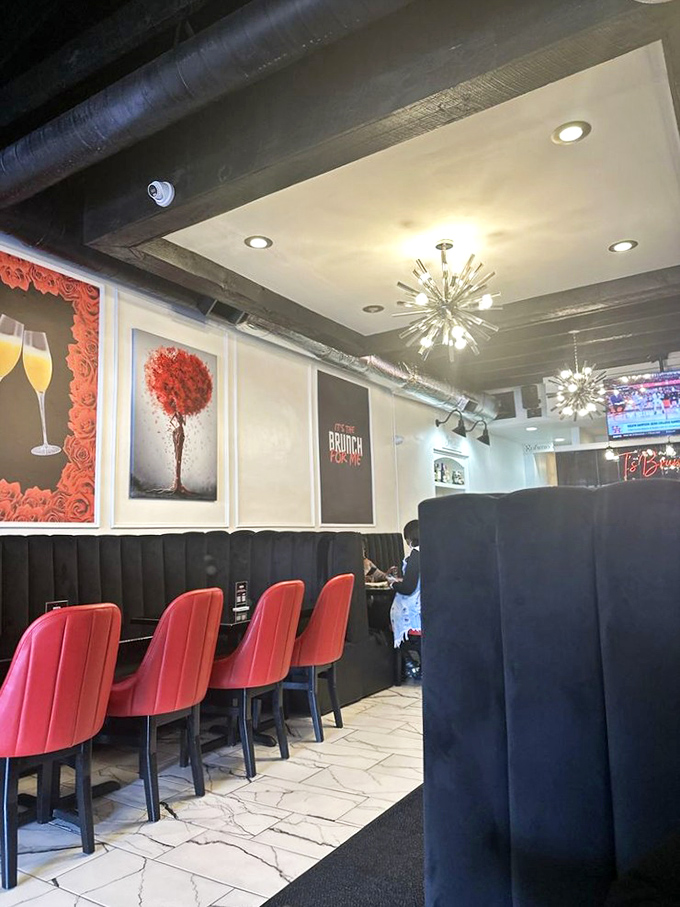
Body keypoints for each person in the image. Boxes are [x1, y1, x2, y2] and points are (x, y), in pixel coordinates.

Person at [387, 520, 421, 676]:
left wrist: (393, 584)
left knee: (388, 621)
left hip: (415, 609)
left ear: (410, 538)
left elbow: (408, 588)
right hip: (430, 607)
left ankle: (409, 662)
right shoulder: (434, 551)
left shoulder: (416, 555)